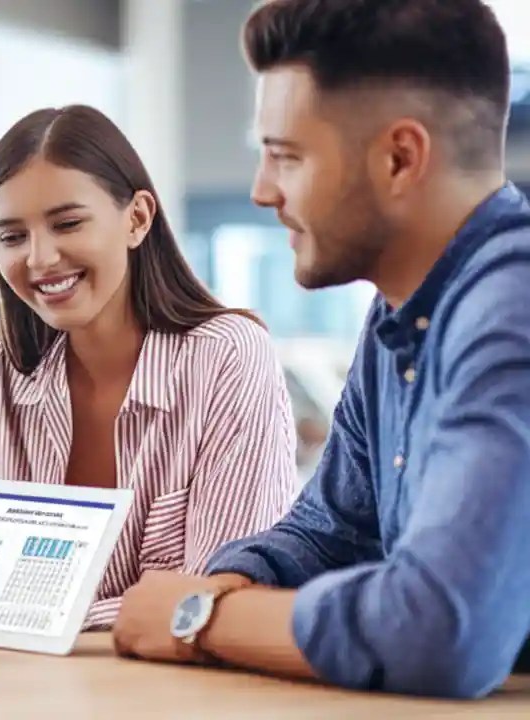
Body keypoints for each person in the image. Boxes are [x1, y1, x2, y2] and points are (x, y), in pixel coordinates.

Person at [112, 0, 530, 700]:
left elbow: (438, 633)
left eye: (286, 156)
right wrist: (235, 580)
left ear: (400, 158)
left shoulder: (510, 310)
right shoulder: (401, 313)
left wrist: (201, 617)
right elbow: (333, 530)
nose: (261, 190)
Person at [0, 104, 300, 629]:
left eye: (67, 223)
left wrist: (11, 613)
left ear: (137, 219)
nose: (40, 258)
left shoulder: (227, 357)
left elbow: (213, 596)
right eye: (12, 236)